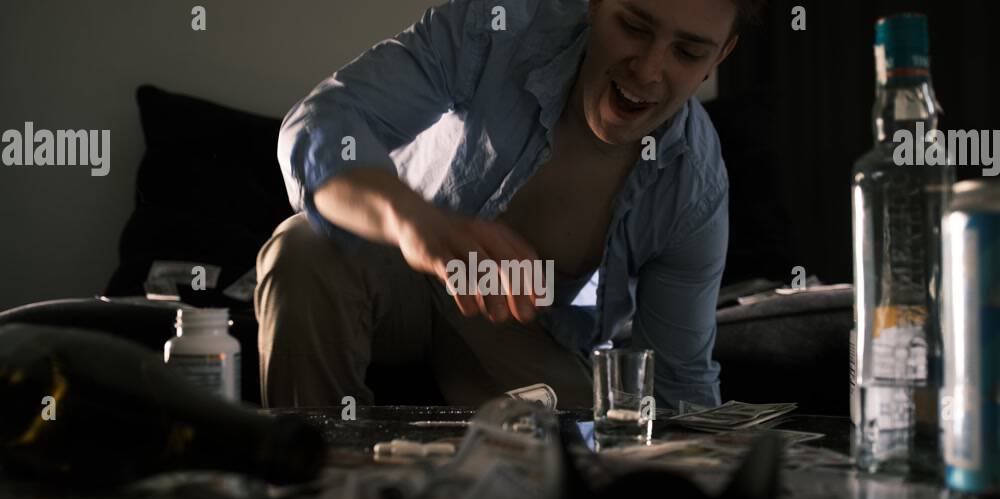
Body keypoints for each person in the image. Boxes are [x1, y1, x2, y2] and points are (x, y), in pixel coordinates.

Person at [256, 0, 762, 410]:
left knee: (588, 442)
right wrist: (414, 225)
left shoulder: (693, 188)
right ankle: (309, 488)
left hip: (526, 341)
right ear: (594, 5)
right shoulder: (497, 29)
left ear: (720, 56)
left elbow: (676, 381)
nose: (649, 69)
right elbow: (323, 119)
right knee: (302, 249)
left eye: (689, 52)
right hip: (396, 281)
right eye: (632, 26)